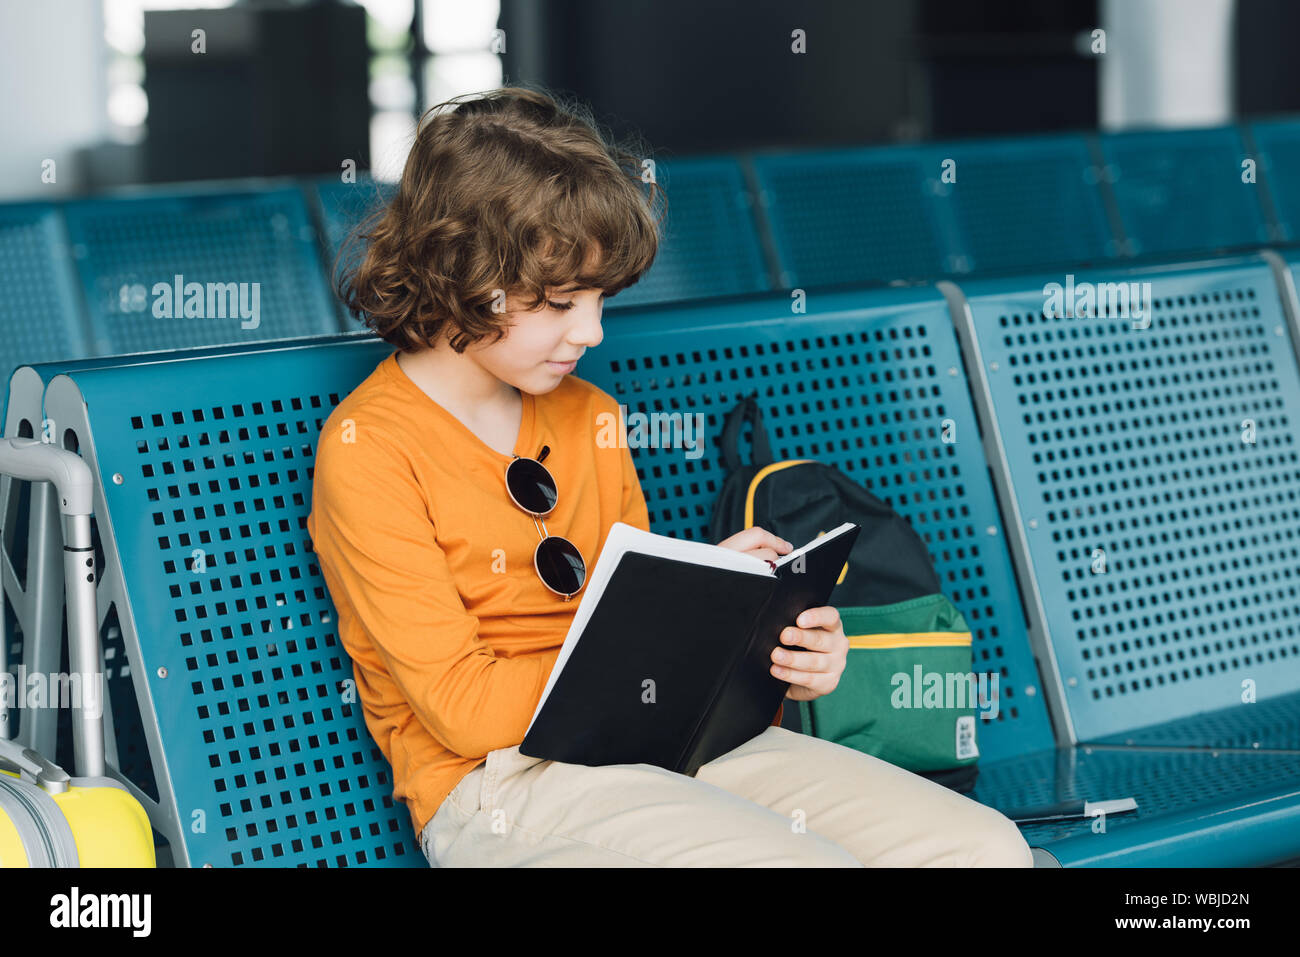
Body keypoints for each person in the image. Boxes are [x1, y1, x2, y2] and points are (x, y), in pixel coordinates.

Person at [306, 85, 1033, 867]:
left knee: (986, 849)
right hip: (505, 787)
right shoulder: (369, 448)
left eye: (597, 298)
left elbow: (637, 629)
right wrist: (658, 655)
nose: (590, 329)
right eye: (558, 301)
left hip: (667, 742)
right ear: (460, 273)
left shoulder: (590, 415)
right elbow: (464, 709)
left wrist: (767, 647)